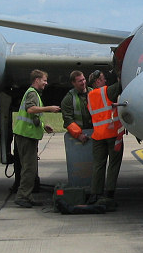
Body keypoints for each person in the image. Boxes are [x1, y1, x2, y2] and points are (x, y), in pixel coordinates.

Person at [12, 70, 61, 208]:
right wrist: (49, 108)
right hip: (26, 136)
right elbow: (31, 110)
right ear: (37, 80)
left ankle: (27, 196)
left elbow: (34, 117)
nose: (46, 83)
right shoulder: (32, 93)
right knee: (29, 169)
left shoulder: (33, 93)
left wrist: (44, 126)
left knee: (29, 168)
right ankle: (22, 196)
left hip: (27, 135)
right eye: (44, 80)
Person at [87, 69, 124, 202]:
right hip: (112, 134)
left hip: (98, 136)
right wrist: (121, 72)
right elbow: (121, 84)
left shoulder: (90, 95)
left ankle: (95, 193)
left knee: (98, 164)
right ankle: (109, 193)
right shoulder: (106, 91)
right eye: (103, 79)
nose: (105, 81)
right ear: (97, 81)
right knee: (114, 163)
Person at [61, 70, 93, 143]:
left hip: (95, 133)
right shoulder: (69, 98)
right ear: (73, 83)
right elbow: (68, 119)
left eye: (84, 79)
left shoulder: (93, 92)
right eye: (80, 81)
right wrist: (78, 135)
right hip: (80, 135)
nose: (83, 82)